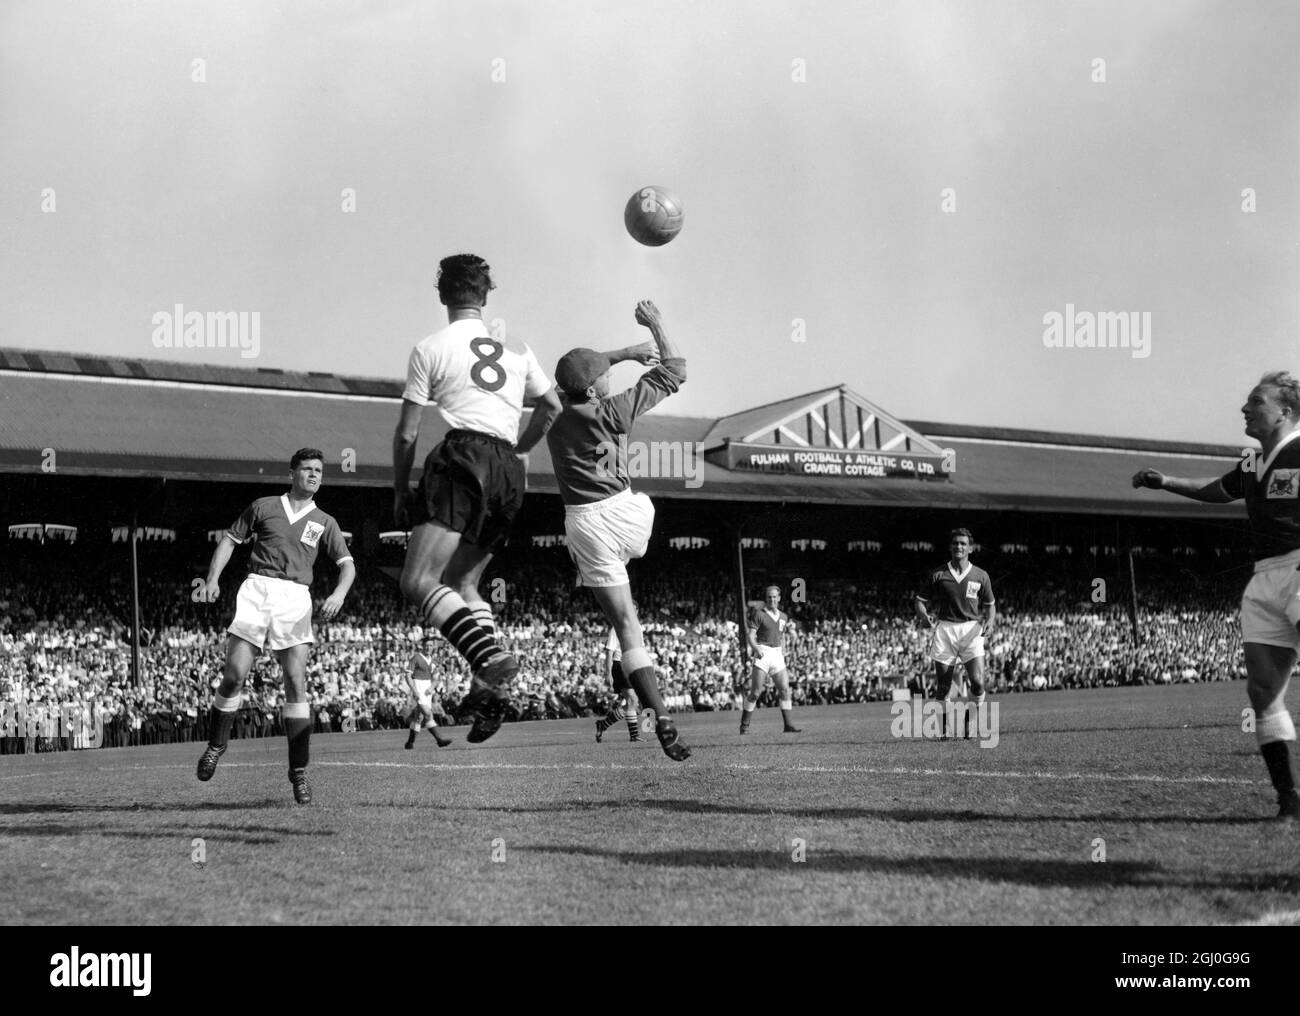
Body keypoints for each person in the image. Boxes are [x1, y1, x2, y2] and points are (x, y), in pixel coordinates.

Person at [393, 254, 562, 744]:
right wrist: (522, 451)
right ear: (485, 297)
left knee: (417, 579)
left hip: (463, 456)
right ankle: (490, 691)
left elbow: (407, 435)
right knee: (464, 581)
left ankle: (487, 660)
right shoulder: (518, 347)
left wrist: (401, 489)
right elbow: (550, 407)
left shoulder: (430, 348)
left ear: (443, 295)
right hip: (508, 468)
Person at [1133, 370, 1300, 821]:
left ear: (1285, 411)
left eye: (1255, 402)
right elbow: (1218, 490)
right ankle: (1289, 801)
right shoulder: (1251, 462)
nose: (1245, 409)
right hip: (1264, 577)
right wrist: (1165, 481)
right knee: (1263, 690)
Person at [544, 299, 691, 761]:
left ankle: (661, 715)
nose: (610, 377)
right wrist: (656, 325)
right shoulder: (611, 412)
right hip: (622, 514)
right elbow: (676, 370)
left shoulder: (552, 415)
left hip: (581, 524)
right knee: (644, 509)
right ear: (592, 390)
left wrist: (624, 353)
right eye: (603, 376)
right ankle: (658, 717)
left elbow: (577, 372)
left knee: (627, 628)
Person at [195, 448, 355, 804]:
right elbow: (229, 540)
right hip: (257, 590)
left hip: (296, 598)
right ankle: (215, 745)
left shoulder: (325, 522)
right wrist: (212, 579)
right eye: (307, 469)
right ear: (292, 473)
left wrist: (339, 594)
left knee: (296, 681)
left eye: (319, 471)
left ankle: (298, 772)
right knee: (235, 674)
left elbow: (347, 565)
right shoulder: (263, 506)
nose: (314, 475)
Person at [913, 528, 996, 740]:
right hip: (946, 630)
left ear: (970, 548)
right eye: (955, 543)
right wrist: (924, 616)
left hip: (971, 630)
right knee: (944, 685)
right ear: (951, 547)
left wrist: (990, 621)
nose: (959, 546)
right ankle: (945, 730)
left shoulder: (981, 575)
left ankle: (969, 721)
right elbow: (920, 602)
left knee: (978, 682)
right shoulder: (938, 574)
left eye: (962, 543)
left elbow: (990, 605)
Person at [739, 585, 802, 734]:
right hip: (763, 653)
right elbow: (750, 635)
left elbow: (782, 635)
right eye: (769, 597)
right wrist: (755, 649)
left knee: (785, 689)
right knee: (755, 692)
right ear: (766, 599)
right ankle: (744, 725)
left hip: (777, 654)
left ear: (779, 598)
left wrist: (784, 650)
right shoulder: (759, 614)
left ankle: (788, 725)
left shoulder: (784, 617)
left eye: (774, 597)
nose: (772, 599)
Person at [594, 625, 643, 743]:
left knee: (633, 701)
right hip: (620, 664)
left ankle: (603, 725)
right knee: (631, 698)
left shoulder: (638, 628)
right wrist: (608, 673)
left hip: (632, 665)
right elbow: (609, 651)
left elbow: (640, 648)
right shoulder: (617, 628)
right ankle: (634, 736)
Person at [403, 645, 452, 749]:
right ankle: (439, 740)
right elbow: (407, 675)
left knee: (419, 718)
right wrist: (414, 690)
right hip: (418, 688)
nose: (429, 647)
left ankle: (409, 743)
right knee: (428, 714)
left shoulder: (433, 661)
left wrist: (432, 687)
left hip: (427, 690)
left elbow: (435, 678)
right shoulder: (416, 658)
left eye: (430, 646)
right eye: (427, 645)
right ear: (422, 647)